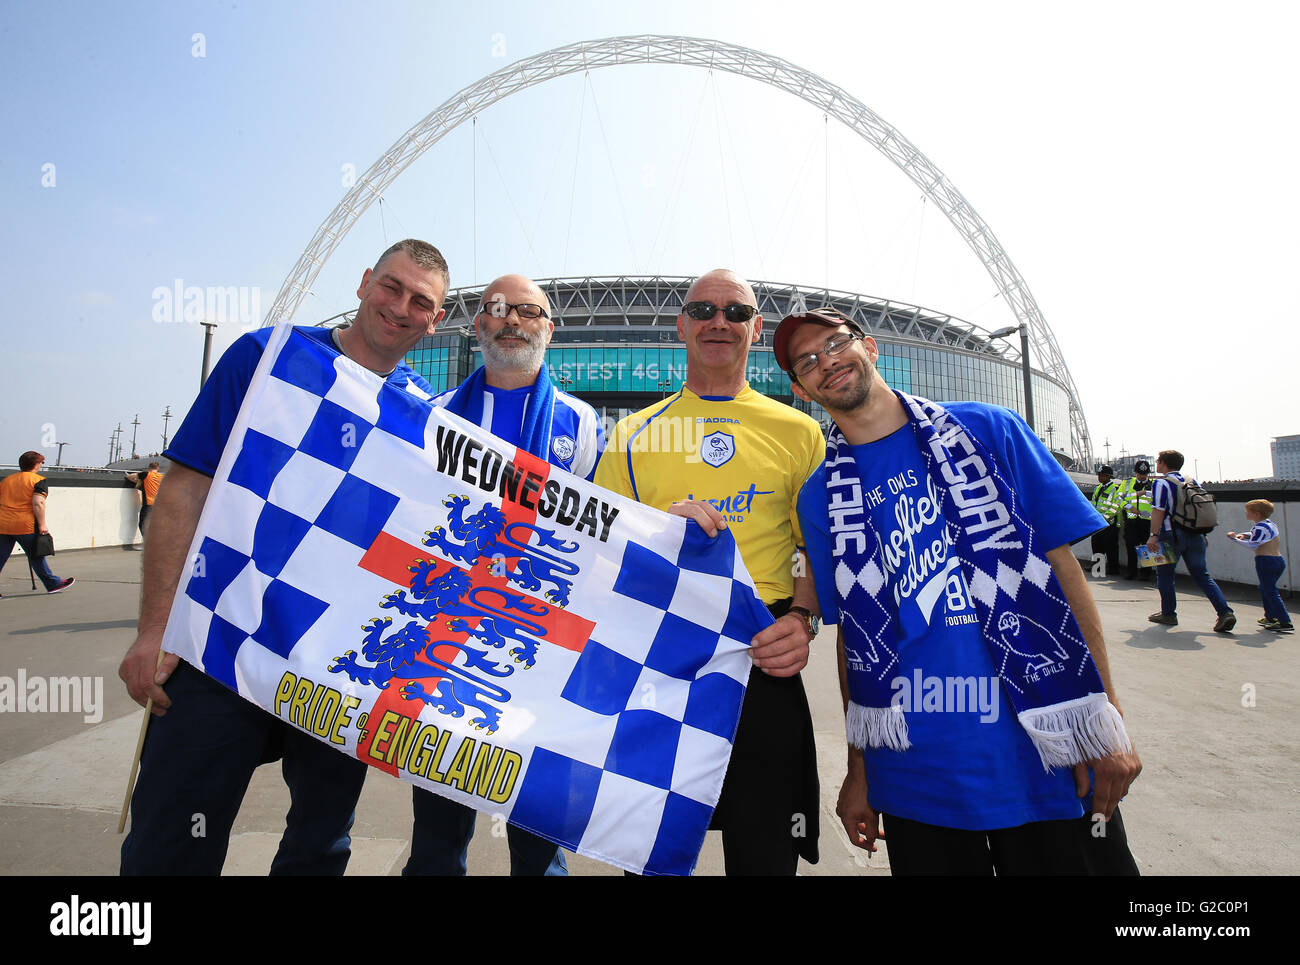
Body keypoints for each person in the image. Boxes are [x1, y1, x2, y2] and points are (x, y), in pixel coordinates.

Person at [119, 239, 448, 875]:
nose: (400, 307)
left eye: (420, 302)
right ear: (362, 284)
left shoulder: (428, 414)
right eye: (391, 287)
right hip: (217, 641)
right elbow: (187, 486)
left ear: (435, 321)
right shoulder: (266, 356)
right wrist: (155, 626)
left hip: (334, 671)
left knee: (318, 848)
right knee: (172, 841)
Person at [776, 306, 1140, 875]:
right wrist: (860, 773)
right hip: (917, 776)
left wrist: (1105, 721)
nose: (827, 362)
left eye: (835, 343)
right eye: (808, 361)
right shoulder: (820, 496)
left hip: (1046, 750)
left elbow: (1065, 577)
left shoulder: (989, 431)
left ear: (869, 348)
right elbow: (857, 638)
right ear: (801, 389)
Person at [595, 269, 822, 876]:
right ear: (681, 325)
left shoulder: (799, 432)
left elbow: (813, 550)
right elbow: (599, 553)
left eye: (735, 312)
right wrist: (659, 530)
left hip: (763, 651)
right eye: (703, 310)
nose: (719, 322)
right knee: (653, 852)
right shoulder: (632, 435)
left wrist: (803, 618)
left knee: (765, 852)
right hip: (661, 658)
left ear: (756, 329)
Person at [407, 273, 605, 876]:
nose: (511, 320)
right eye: (496, 308)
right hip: (440, 641)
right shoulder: (432, 415)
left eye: (527, 311)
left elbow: (604, 535)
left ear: (549, 328)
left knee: (538, 834)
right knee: (437, 830)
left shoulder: (584, 423)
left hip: (534, 646)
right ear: (477, 324)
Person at [1146, 450, 1235, 632]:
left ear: (1163, 463)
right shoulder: (1191, 481)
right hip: (1195, 535)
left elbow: (1158, 511)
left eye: (1158, 461)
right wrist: (1202, 533)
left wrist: (1153, 535)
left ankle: (1169, 613)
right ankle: (1225, 612)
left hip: (1169, 536)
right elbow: (1197, 509)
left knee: (1164, 575)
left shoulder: (1161, 483)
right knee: (1202, 575)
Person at [0, 451, 75, 597]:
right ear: (36, 464)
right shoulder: (38, 480)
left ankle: (53, 582)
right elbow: (38, 503)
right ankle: (53, 583)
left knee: (1, 555)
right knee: (36, 555)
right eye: (41, 462)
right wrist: (42, 524)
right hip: (24, 525)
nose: (41, 465)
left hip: (3, 523)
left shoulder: (7, 480)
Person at [1227, 499, 1292, 632]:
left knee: (1270, 590)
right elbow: (1256, 536)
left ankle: (1284, 621)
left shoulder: (1259, 527)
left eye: (1248, 511)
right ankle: (1270, 616)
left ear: (1256, 514)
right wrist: (1244, 535)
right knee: (1265, 588)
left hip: (1265, 561)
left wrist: (1234, 539)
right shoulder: (1269, 524)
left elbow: (1253, 544)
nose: (1246, 513)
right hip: (1277, 560)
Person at [1118, 460, 1154, 581]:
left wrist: (1145, 492)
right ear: (1135, 472)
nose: (1142, 476)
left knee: (1146, 546)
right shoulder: (1127, 483)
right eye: (1139, 473)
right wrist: (1129, 507)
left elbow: (1158, 497)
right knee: (1131, 546)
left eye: (1144, 474)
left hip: (1147, 520)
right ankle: (1131, 571)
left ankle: (1146, 573)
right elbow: (1118, 498)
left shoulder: (1153, 484)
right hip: (1131, 519)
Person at [1089, 465, 1121, 577]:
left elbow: (1116, 506)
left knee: (1110, 547)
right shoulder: (1098, 488)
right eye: (1099, 475)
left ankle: (1113, 569)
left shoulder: (1115, 488)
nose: (1099, 477)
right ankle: (1098, 567)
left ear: (1108, 476)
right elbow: (1094, 504)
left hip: (1110, 523)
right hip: (1098, 523)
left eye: (1101, 475)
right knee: (1097, 545)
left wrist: (1105, 517)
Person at [124, 462, 164, 544]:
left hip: (148, 504)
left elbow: (131, 477)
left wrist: (127, 476)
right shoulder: (161, 476)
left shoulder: (146, 474)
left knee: (142, 524)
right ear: (158, 468)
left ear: (149, 468)